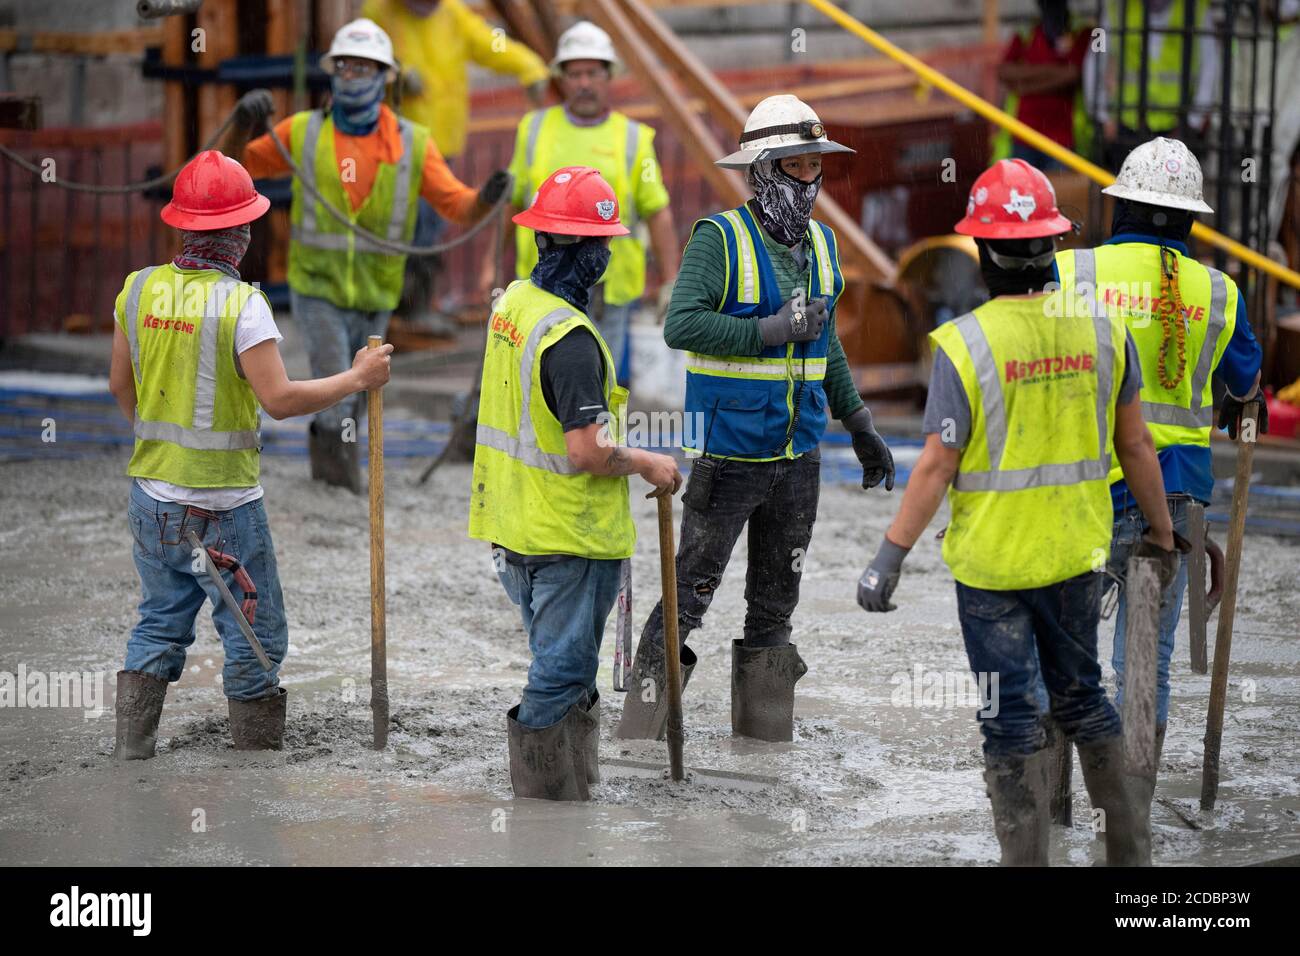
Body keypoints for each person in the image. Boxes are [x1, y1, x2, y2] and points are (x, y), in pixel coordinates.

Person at [857, 158, 1183, 866]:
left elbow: (939, 464)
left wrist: (889, 557)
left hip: (994, 568)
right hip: (1074, 556)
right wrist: (1161, 531)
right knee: (1084, 699)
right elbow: (1137, 446)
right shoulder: (1101, 331)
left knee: (1009, 719)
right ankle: (1132, 859)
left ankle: (1026, 860)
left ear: (982, 252)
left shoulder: (964, 345)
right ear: (1053, 249)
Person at [617, 94, 894, 744]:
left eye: (814, 165)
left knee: (775, 607)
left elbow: (826, 345)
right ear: (763, 169)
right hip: (730, 455)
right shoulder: (719, 239)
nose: (809, 179)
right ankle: (639, 733)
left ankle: (765, 746)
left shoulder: (823, 245)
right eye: (795, 166)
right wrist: (767, 329)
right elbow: (681, 323)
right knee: (690, 595)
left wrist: (858, 423)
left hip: (799, 459)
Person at [108, 150, 393, 758]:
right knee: (255, 635)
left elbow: (118, 386)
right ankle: (254, 767)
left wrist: (161, 444)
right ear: (239, 232)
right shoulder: (244, 305)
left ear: (183, 225)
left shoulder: (139, 290)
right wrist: (358, 377)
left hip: (151, 499)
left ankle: (131, 756)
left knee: (160, 620)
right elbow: (281, 400)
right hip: (223, 507)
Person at [1054, 136, 1264, 814]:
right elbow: (1248, 379)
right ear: (1189, 220)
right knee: (1143, 666)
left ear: (1122, 206)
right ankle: (1127, 819)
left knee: (1065, 653)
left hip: (1081, 492)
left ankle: (1052, 813)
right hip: (1172, 507)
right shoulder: (1219, 292)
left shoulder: (1073, 271)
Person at [221, 18, 508, 492]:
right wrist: (242, 121)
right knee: (338, 382)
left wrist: (486, 197)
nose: (353, 76)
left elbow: (457, 205)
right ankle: (337, 483)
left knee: (359, 389)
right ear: (332, 74)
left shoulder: (413, 143)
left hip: (377, 293)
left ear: (385, 77)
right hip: (318, 288)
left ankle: (339, 477)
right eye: (346, 68)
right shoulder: (305, 133)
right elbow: (231, 165)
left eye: (364, 68)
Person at [468, 166, 681, 800]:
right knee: (560, 675)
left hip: (516, 529)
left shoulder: (513, 304)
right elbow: (588, 452)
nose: (608, 256)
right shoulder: (573, 340)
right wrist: (646, 461)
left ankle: (573, 793)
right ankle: (546, 813)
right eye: (603, 245)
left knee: (565, 668)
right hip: (568, 536)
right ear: (586, 254)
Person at [500, 20, 678, 385]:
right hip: (540, 279)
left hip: (607, 285)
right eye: (574, 73)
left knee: (597, 380)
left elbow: (657, 212)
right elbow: (512, 202)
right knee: (538, 378)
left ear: (607, 75)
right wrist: (492, 268)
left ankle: (592, 442)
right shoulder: (533, 129)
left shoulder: (633, 139)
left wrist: (670, 279)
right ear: (561, 78)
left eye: (592, 73)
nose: (583, 82)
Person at [362, 0, 550, 331]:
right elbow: (363, 61)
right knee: (397, 226)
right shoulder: (380, 14)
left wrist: (530, 67)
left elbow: (493, 45)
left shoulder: (454, 17)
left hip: (440, 145)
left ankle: (414, 307)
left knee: (429, 229)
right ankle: (389, 308)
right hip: (392, 148)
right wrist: (398, 75)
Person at [1085, 0, 1220, 169]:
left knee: (1168, 191)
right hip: (1127, 125)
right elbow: (1095, 61)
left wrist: (1193, 122)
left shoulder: (1196, 8)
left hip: (1176, 127)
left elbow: (1210, 65)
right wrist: (1103, 117)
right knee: (1128, 191)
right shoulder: (1117, 7)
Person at [993, 0, 1091, 170]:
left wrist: (1026, 85)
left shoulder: (1081, 32)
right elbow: (1004, 71)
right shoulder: (1026, 32)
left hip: (1061, 137)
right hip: (1024, 134)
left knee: (1060, 192)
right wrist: (1055, 72)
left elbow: (1072, 75)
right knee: (1023, 191)